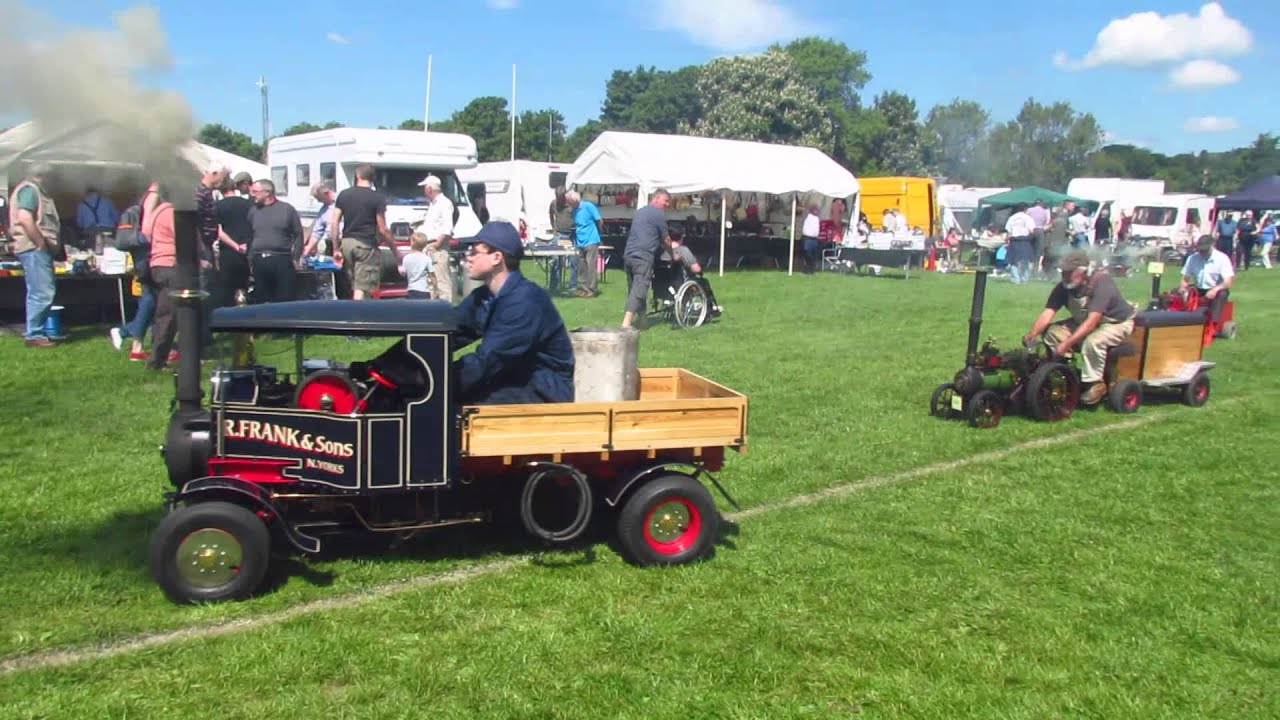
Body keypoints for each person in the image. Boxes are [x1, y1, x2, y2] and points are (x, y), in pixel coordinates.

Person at [452, 221, 575, 405]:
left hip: (544, 389)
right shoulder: (485, 296)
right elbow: (451, 329)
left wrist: (436, 380)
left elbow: (488, 360)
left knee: (458, 403)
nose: (468, 257)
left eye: (475, 252)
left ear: (496, 257)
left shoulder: (525, 302)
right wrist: (407, 363)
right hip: (512, 378)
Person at [1023, 251, 1135, 406]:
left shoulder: (1102, 282)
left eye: (1069, 272)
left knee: (1093, 341)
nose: (1065, 276)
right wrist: (1032, 334)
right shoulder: (1063, 287)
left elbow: (1092, 321)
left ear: (1084, 271)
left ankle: (1095, 383)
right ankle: (1066, 373)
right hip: (1084, 321)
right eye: (1063, 272)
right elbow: (1049, 312)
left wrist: (1067, 344)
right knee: (1051, 332)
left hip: (1115, 323)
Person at [8, 162, 61, 346]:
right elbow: (24, 218)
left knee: (39, 291)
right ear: (43, 174)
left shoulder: (34, 190)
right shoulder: (30, 190)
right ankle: (35, 335)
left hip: (35, 248)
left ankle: (37, 332)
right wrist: (40, 243)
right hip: (33, 248)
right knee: (42, 292)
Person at [331, 163, 393, 300]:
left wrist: (335, 248)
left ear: (357, 175)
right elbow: (383, 228)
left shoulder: (344, 195)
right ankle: (358, 317)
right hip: (365, 245)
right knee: (362, 287)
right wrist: (395, 251)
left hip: (347, 244)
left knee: (354, 283)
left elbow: (334, 222)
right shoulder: (377, 198)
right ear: (372, 178)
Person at [246, 179, 305, 304]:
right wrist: (250, 259)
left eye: (255, 191)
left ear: (267, 192)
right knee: (262, 299)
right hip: (259, 260)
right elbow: (250, 236)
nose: (252, 194)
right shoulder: (253, 211)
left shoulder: (287, 210)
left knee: (285, 299)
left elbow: (298, 234)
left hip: (281, 259)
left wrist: (296, 257)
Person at [622, 189, 671, 328]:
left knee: (635, 288)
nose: (667, 204)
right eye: (665, 201)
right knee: (639, 288)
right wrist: (672, 255)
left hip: (629, 254)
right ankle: (626, 323)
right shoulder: (658, 214)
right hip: (643, 255)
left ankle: (643, 320)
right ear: (656, 199)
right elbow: (666, 239)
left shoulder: (639, 212)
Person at [661, 226, 721, 317]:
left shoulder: (662, 252)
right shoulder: (682, 250)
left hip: (663, 285)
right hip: (680, 284)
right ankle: (710, 308)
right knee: (704, 282)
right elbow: (696, 269)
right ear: (681, 238)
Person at [1179, 234, 1235, 326]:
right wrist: (1183, 288)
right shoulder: (1193, 258)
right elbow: (1185, 278)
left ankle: (1213, 323)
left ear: (1212, 245)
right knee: (1176, 292)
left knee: (1222, 294)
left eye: (1205, 250)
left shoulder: (1222, 258)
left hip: (1216, 288)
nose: (1202, 252)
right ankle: (1182, 317)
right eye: (1200, 250)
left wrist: (1215, 290)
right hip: (1199, 288)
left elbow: (1228, 281)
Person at [418, 175, 455, 302]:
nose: (423, 190)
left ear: (429, 188)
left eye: (425, 187)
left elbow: (447, 228)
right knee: (431, 282)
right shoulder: (433, 204)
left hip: (437, 247)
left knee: (442, 282)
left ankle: (446, 312)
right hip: (430, 246)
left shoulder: (445, 203)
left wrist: (436, 244)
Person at [566, 189, 602, 297]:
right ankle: (584, 288)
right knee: (582, 266)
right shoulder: (574, 210)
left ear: (575, 200)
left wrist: (599, 235)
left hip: (591, 240)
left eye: (569, 201)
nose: (568, 204)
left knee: (591, 266)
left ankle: (592, 290)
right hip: (580, 241)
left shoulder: (588, 206)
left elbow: (599, 221)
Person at [400, 232, 431, 299]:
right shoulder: (427, 258)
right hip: (424, 289)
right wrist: (435, 288)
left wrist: (399, 268)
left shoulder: (406, 258)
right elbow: (432, 274)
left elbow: (403, 273)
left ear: (412, 243)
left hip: (412, 289)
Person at [801, 203, 821, 274]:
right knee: (807, 254)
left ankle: (812, 269)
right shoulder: (808, 216)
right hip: (807, 238)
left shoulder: (817, 218)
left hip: (814, 239)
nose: (816, 211)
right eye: (815, 209)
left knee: (813, 255)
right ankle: (807, 268)